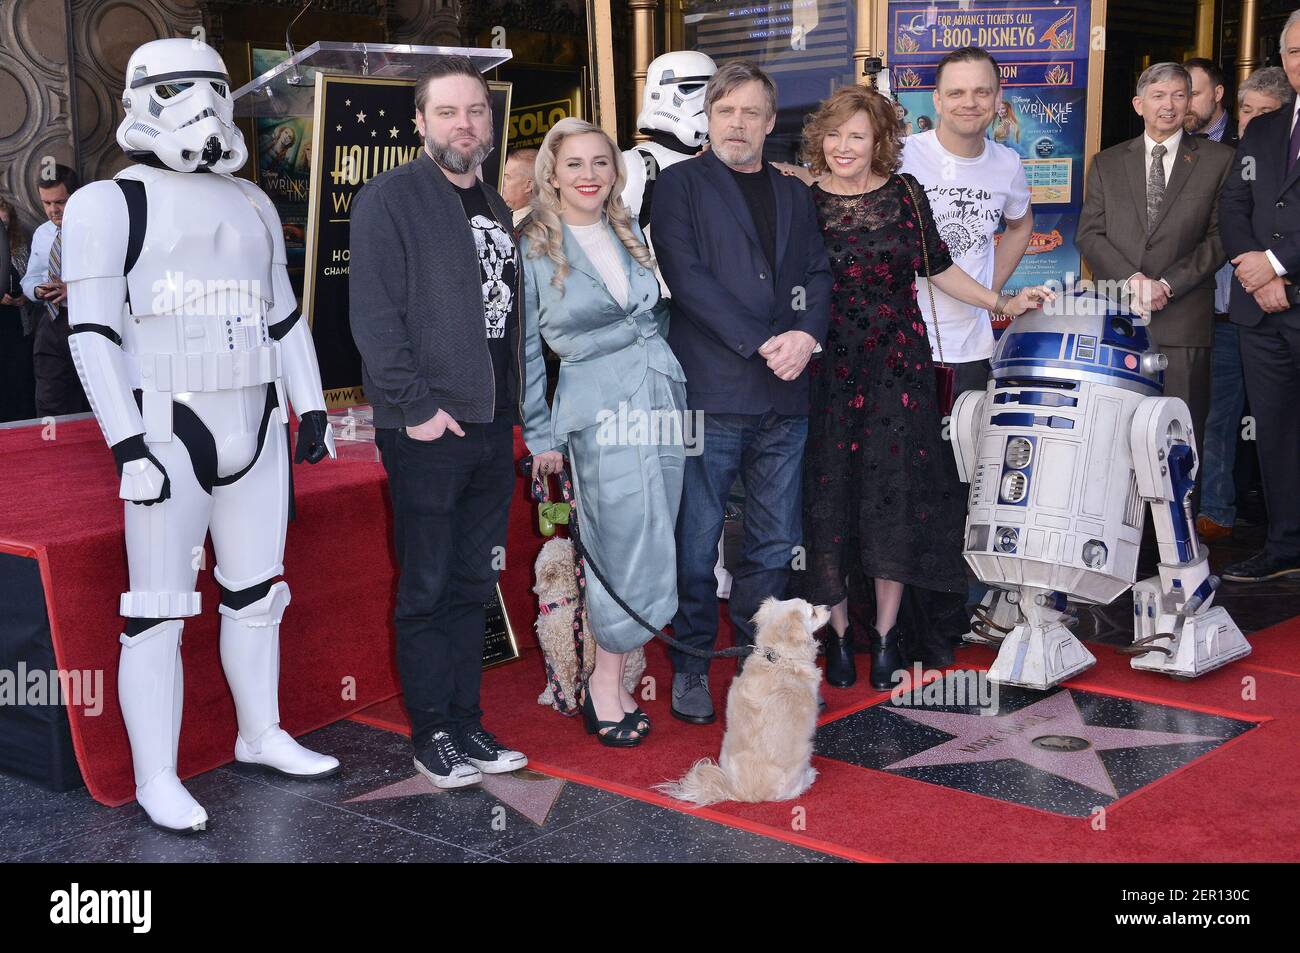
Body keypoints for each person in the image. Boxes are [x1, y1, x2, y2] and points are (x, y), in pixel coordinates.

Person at [62, 38, 339, 833]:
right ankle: (157, 773)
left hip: (253, 414)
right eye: (183, 89)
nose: (205, 106)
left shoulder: (251, 201)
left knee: (259, 593)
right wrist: (125, 445)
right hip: (167, 422)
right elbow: (92, 332)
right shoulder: (108, 203)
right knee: (157, 606)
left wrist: (309, 404)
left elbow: (282, 312)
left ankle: (261, 732)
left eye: (216, 88)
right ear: (140, 98)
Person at [791, 84, 1050, 690]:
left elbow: (937, 264)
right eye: (833, 134)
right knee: (828, 502)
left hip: (897, 367)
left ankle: (884, 639)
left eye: (857, 135)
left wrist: (998, 301)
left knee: (894, 498)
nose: (843, 147)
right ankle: (839, 640)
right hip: (827, 371)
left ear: (881, 141)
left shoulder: (905, 193)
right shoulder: (802, 201)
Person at [349, 55, 529, 787]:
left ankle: (468, 723)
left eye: (477, 111)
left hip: (491, 428)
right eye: (449, 112)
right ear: (420, 122)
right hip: (427, 429)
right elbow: (373, 316)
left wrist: (517, 416)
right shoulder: (389, 198)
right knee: (424, 586)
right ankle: (432, 734)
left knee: (470, 583)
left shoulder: (497, 205)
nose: (465, 123)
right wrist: (416, 409)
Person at [650, 60, 832, 724]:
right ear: (709, 116)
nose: (738, 123)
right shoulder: (679, 187)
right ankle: (693, 665)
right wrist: (765, 341)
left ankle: (761, 668)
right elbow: (689, 280)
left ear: (769, 121)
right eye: (726, 111)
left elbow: (816, 272)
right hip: (714, 391)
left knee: (773, 543)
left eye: (751, 112)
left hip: (785, 397)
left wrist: (805, 337)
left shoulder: (792, 193)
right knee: (696, 541)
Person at [519, 118, 686, 747]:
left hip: (662, 395)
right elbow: (526, 355)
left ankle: (615, 675)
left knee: (656, 535)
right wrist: (541, 437)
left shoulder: (628, 232)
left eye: (601, 163)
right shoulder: (532, 245)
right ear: (552, 175)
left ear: (616, 171)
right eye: (575, 165)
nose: (589, 175)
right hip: (596, 408)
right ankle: (602, 682)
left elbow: (662, 314)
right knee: (618, 542)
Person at [1076, 62, 1235, 475]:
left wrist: (1167, 283)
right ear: (1138, 104)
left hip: (1183, 321)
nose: (1169, 105)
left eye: (1179, 95)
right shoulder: (1107, 163)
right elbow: (1090, 235)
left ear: (1190, 103)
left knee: (1180, 437)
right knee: (1115, 436)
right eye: (1159, 96)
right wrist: (1134, 280)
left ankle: (1177, 539)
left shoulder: (1219, 160)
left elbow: (1221, 238)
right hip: (1119, 322)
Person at [1217, 10, 1300, 583]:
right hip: (1260, 311)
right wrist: (1255, 270)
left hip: (1287, 285)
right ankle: (1285, 544)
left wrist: (1275, 264)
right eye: (1293, 52)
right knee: (1274, 431)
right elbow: (1234, 203)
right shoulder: (1267, 128)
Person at [904, 47, 1034, 398]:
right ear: (937, 100)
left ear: (998, 98)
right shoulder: (901, 156)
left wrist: (985, 291)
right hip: (901, 344)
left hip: (971, 349)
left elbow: (1020, 227)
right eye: (956, 93)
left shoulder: (1007, 164)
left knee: (964, 452)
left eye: (982, 92)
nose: (970, 102)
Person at [1184, 56, 1244, 542]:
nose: (1181, 105)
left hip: (1235, 305)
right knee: (1177, 413)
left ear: (1218, 94)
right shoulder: (1170, 148)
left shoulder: (1243, 148)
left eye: (1193, 94)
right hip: (1178, 305)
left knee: (1221, 415)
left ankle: (1217, 511)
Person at [21, 164, 89, 417]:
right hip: (50, 321)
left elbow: (117, 278)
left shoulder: (96, 231)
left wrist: (74, 289)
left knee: (92, 395)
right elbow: (29, 279)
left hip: (86, 319)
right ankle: (54, 450)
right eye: (46, 203)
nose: (52, 210)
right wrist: (37, 291)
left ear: (76, 195)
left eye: (59, 201)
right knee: (50, 398)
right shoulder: (42, 234)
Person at [0, 196, 36, 422]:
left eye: (5, 224)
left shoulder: (18, 245)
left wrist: (26, 296)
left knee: (20, 376)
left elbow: (30, 275)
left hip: (18, 322)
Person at [501, 147, 537, 231]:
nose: (502, 183)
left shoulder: (539, 230)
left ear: (528, 186)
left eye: (507, 177)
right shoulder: (500, 216)